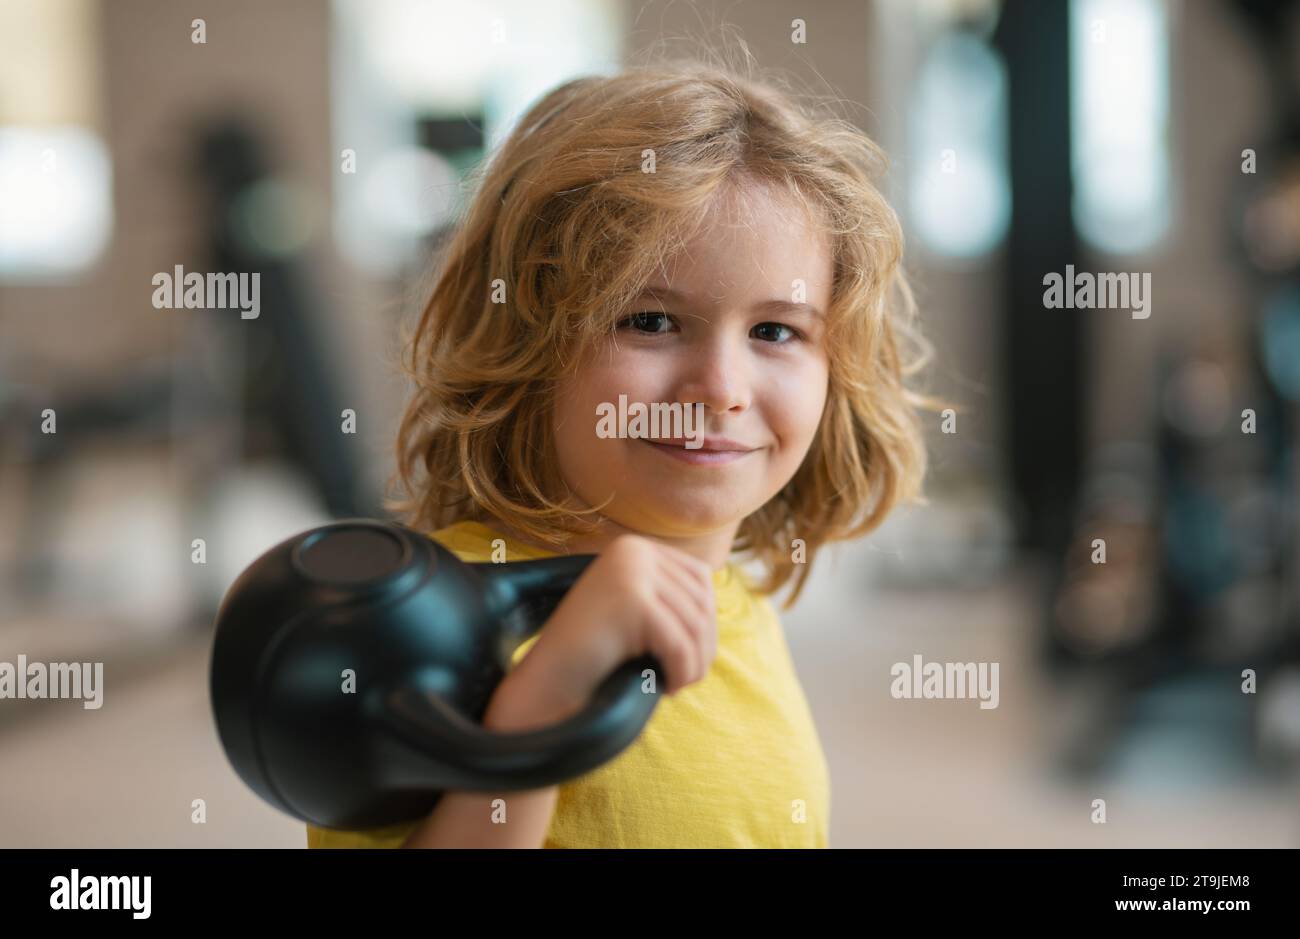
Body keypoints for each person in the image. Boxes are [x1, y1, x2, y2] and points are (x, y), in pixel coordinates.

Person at [307, 57, 945, 849]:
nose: (721, 388)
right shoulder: (419, 624)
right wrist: (552, 687)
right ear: (528, 340)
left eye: (774, 331)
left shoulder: (734, 603)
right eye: (649, 320)